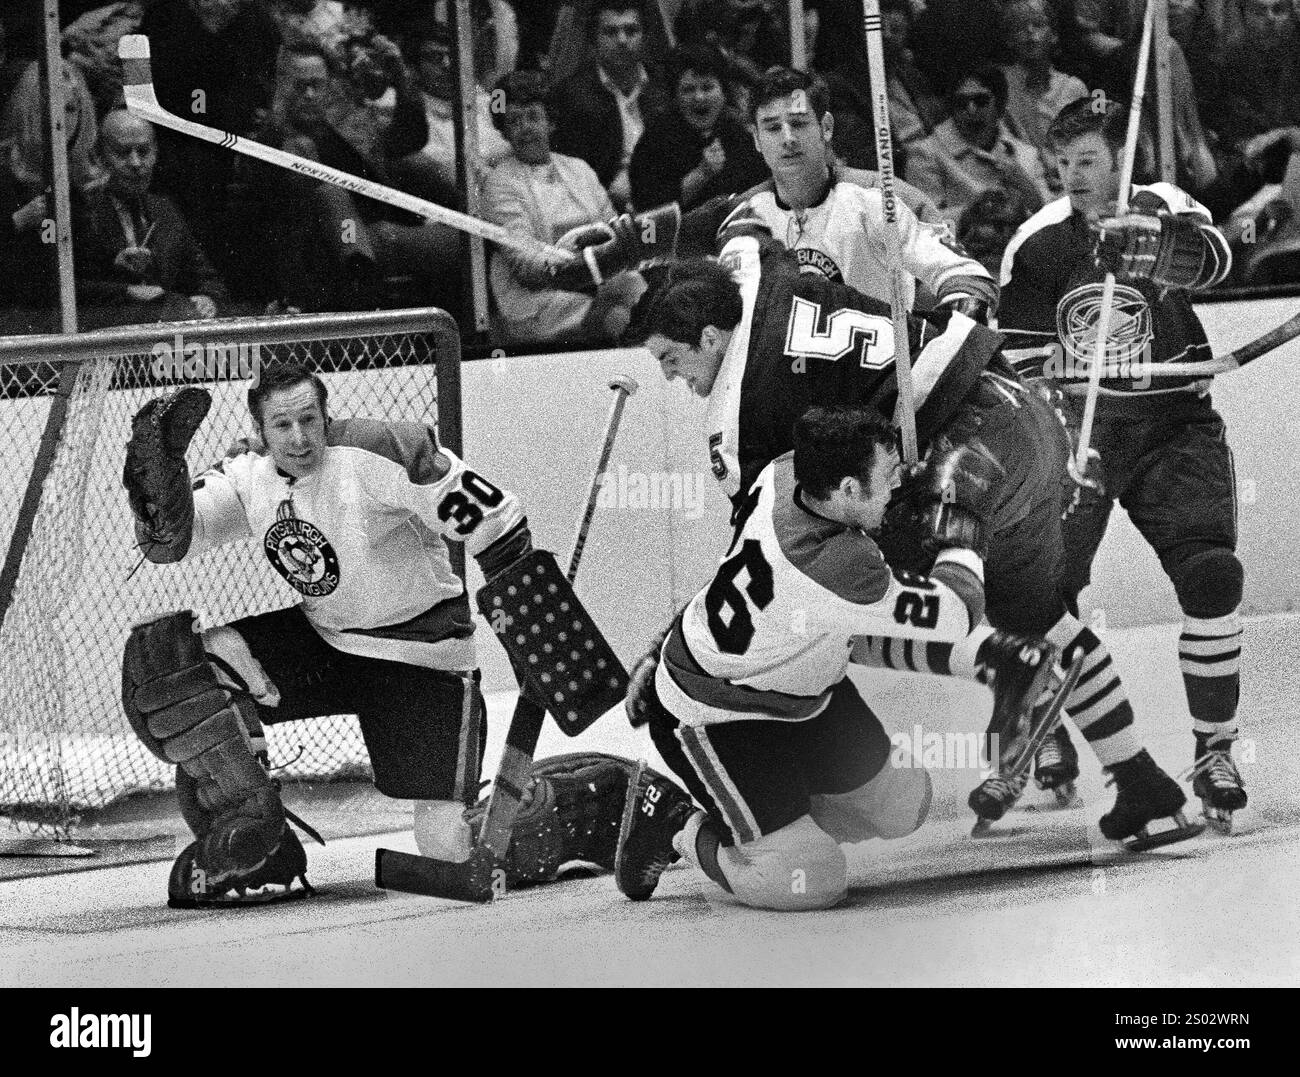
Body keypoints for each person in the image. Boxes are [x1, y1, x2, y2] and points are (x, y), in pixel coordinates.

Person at [623, 230, 1200, 844]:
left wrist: (667, 638)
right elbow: (748, 237)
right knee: (1037, 613)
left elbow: (758, 552)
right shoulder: (750, 270)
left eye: (671, 359)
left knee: (860, 595)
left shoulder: (738, 416)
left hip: (959, 459)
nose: (671, 376)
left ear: (710, 338)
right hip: (1025, 417)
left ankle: (998, 667)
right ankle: (1144, 782)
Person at [120, 362, 538, 906]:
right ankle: (257, 840)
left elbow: (496, 517)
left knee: (446, 856)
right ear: (261, 432)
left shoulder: (377, 450)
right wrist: (156, 496)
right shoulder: (249, 473)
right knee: (178, 668)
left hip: (420, 653)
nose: (299, 437)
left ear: (326, 415)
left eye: (309, 419)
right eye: (283, 426)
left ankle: (553, 809)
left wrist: (532, 618)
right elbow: (177, 540)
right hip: (330, 641)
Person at [615, 404, 1062, 910]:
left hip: (799, 686)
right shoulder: (839, 568)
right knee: (809, 879)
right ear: (847, 490)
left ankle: (772, 817)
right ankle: (674, 821)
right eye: (888, 477)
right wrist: (963, 515)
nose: (898, 484)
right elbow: (957, 610)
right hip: (717, 716)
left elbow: (728, 568)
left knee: (904, 808)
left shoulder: (782, 473)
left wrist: (657, 644)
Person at [998, 96, 1246, 832]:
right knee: (1040, 596)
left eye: (1089, 162)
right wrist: (1049, 381)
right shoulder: (1037, 245)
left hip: (1173, 425)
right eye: (1063, 163)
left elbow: (1218, 261)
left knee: (1211, 574)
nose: (1074, 177)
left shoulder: (1162, 203)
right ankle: (1049, 735)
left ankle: (1215, 752)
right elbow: (1016, 360)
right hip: (1083, 436)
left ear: (1121, 159)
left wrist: (1157, 250)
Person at [678, 67, 995, 315]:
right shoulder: (741, 216)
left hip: (878, 388)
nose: (787, 138)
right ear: (757, 139)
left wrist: (961, 311)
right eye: (773, 127)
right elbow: (660, 245)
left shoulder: (884, 198)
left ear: (826, 126)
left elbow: (963, 274)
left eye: (799, 123)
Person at [482, 71, 647, 347]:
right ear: (505, 131)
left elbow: (612, 228)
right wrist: (587, 272)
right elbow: (525, 266)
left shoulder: (578, 169)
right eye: (513, 121)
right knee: (622, 317)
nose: (525, 128)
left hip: (596, 285)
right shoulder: (500, 183)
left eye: (533, 117)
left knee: (640, 292)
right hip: (538, 302)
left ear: (550, 123)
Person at [76, 111, 228, 328]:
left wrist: (207, 298)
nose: (136, 163)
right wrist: (126, 291)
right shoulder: (84, 211)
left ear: (156, 152)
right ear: (99, 157)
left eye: (144, 151)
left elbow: (206, 276)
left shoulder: (164, 209)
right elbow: (63, 290)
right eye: (122, 152)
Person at [548, 1, 670, 210]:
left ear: (645, 37)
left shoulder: (665, 86)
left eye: (631, 31)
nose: (622, 40)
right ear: (594, 41)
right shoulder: (570, 96)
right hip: (606, 209)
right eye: (610, 32)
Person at [905, 64, 1053, 225]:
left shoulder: (1024, 153)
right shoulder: (926, 153)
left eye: (981, 101)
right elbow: (922, 221)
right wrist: (971, 213)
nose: (971, 109)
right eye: (961, 102)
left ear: (999, 106)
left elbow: (1050, 216)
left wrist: (1022, 182)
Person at [629, 43, 766, 213]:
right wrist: (702, 174)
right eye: (688, 90)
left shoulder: (740, 133)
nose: (699, 97)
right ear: (675, 97)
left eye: (708, 88)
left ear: (723, 93)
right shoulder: (655, 138)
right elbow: (649, 212)